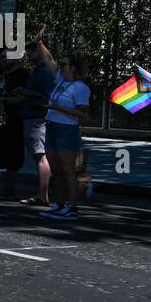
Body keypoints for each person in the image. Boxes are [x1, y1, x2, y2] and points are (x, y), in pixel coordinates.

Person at [43, 53, 91, 220]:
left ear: (73, 68)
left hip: (67, 130)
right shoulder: (61, 81)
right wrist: (40, 42)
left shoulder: (80, 87)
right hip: (52, 127)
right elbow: (49, 60)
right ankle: (60, 204)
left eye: (64, 64)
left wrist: (58, 108)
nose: (61, 66)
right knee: (56, 170)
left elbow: (83, 114)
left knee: (68, 170)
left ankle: (72, 207)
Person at [11, 35, 56, 206]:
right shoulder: (38, 69)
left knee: (41, 158)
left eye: (33, 49)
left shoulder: (44, 71)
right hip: (33, 118)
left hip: (38, 119)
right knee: (41, 157)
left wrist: (27, 93)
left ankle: (43, 195)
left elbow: (47, 98)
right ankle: (42, 194)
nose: (28, 53)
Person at [0, 50, 27, 200]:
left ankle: (9, 188)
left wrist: (5, 100)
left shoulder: (23, 75)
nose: (3, 60)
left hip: (14, 122)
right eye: (1, 57)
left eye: (6, 57)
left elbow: (24, 99)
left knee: (13, 157)